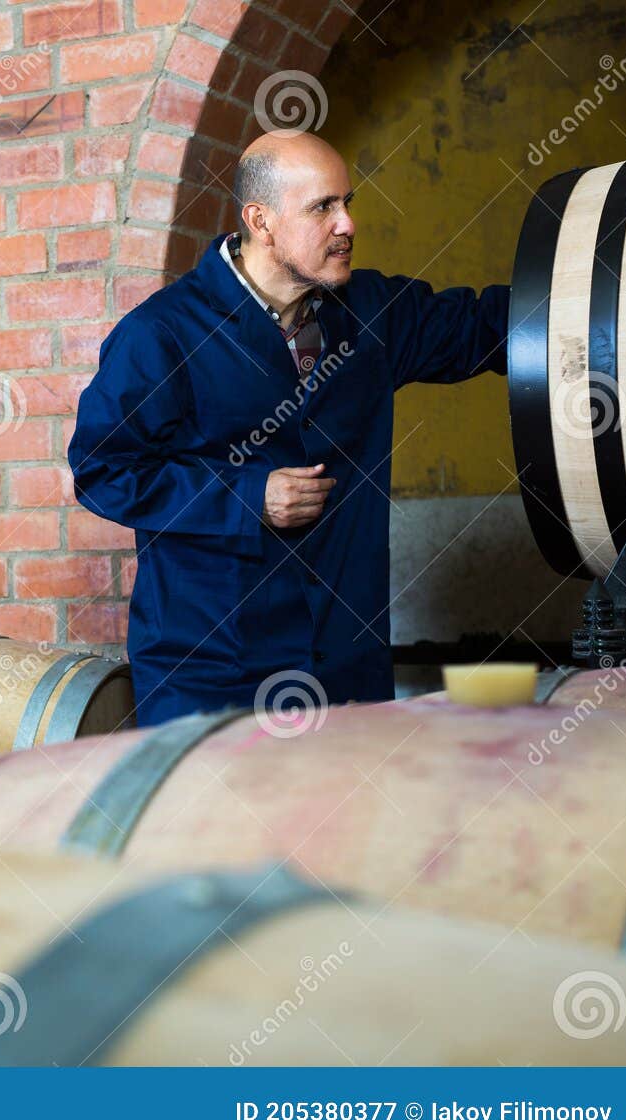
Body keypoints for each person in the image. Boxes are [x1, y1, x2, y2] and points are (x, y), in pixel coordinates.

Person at [67, 130, 510, 726]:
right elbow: (103, 470)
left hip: (348, 673)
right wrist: (250, 495)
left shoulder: (372, 314)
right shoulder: (161, 333)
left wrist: (606, 292)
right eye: (322, 207)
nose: (348, 224)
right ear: (261, 220)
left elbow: (489, 326)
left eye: (346, 202)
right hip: (213, 679)